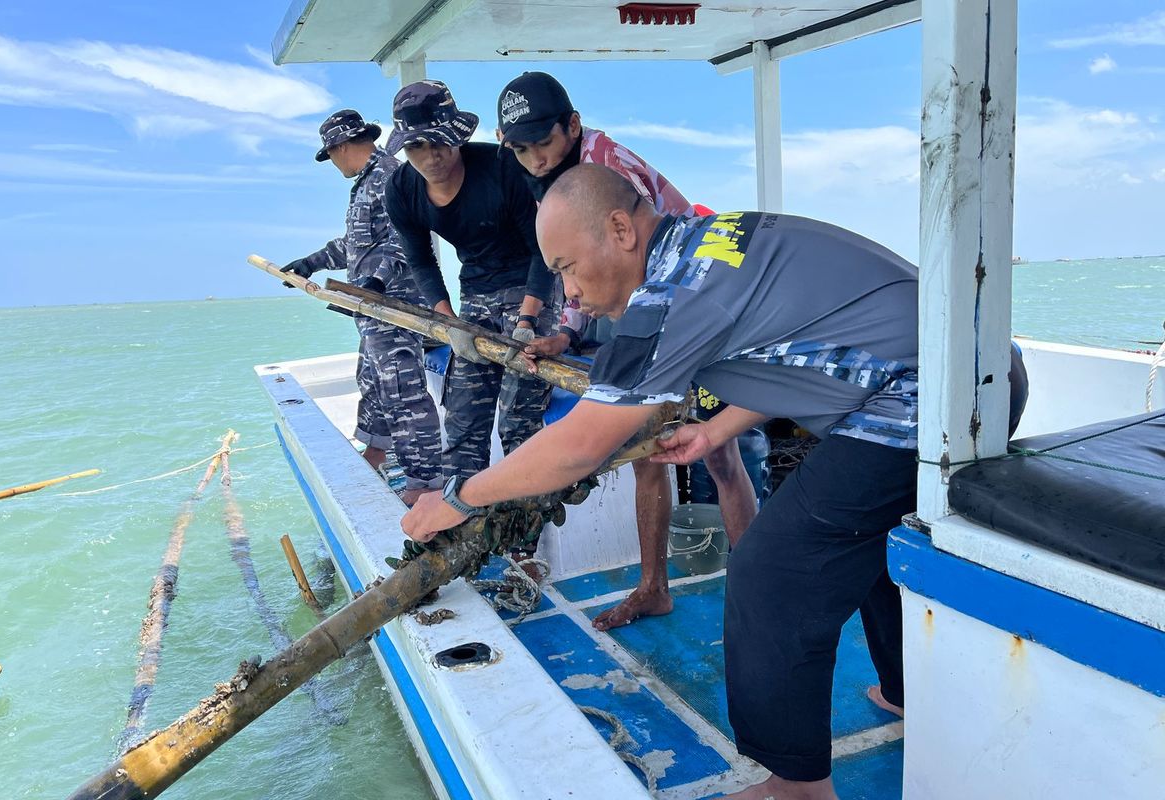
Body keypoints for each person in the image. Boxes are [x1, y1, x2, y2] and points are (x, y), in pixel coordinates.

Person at [402, 164, 1028, 800]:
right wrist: (718, 430)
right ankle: (904, 692)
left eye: (565, 267)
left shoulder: (669, 289)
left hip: (931, 397)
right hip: (977, 372)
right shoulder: (710, 243)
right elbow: (805, 345)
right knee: (862, 539)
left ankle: (794, 788)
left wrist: (457, 499)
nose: (570, 295)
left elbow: (580, 446)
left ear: (620, 228)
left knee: (773, 572)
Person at [495, 71, 758, 629]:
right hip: (647, 306)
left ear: (572, 125)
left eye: (543, 142)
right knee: (649, 451)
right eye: (522, 149)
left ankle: (754, 594)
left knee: (722, 456)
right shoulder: (554, 178)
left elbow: (637, 267)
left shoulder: (607, 168)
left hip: (692, 304)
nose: (536, 158)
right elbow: (578, 269)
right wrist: (566, 333)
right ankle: (653, 588)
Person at [382, 81, 559, 492]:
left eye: (440, 144)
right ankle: (462, 524)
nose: (431, 157)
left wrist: (528, 321)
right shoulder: (402, 189)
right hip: (474, 294)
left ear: (457, 136)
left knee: (518, 420)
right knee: (462, 420)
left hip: (531, 284)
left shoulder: (502, 168)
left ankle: (524, 548)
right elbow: (421, 259)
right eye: (417, 148)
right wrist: (448, 324)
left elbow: (543, 252)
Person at [280, 109, 442, 505]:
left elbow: (406, 239)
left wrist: (376, 281)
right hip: (370, 311)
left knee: (403, 392)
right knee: (373, 381)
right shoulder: (366, 183)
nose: (333, 163)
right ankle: (375, 452)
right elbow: (355, 246)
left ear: (340, 147)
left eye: (331, 154)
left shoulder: (389, 175)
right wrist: (311, 262)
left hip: (395, 308)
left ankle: (427, 484)